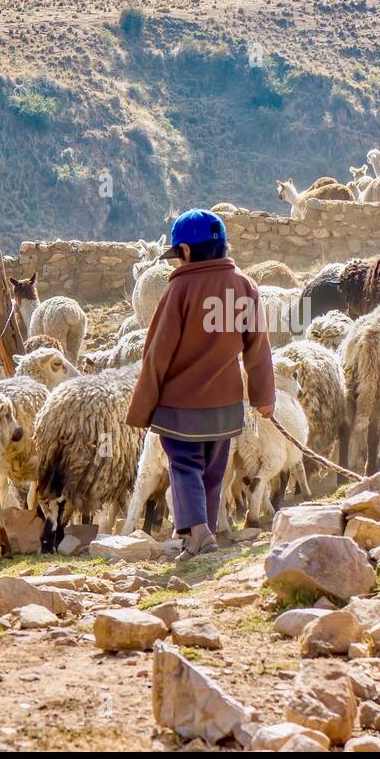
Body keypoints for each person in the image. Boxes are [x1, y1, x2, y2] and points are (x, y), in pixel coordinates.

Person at [126, 209, 275, 560]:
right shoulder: (245, 286)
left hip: (182, 405)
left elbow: (156, 354)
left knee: (184, 465)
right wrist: (263, 397)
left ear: (187, 252)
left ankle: (199, 531)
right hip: (226, 405)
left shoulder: (179, 289)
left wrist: (142, 408)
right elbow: (258, 347)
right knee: (212, 469)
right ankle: (200, 537)